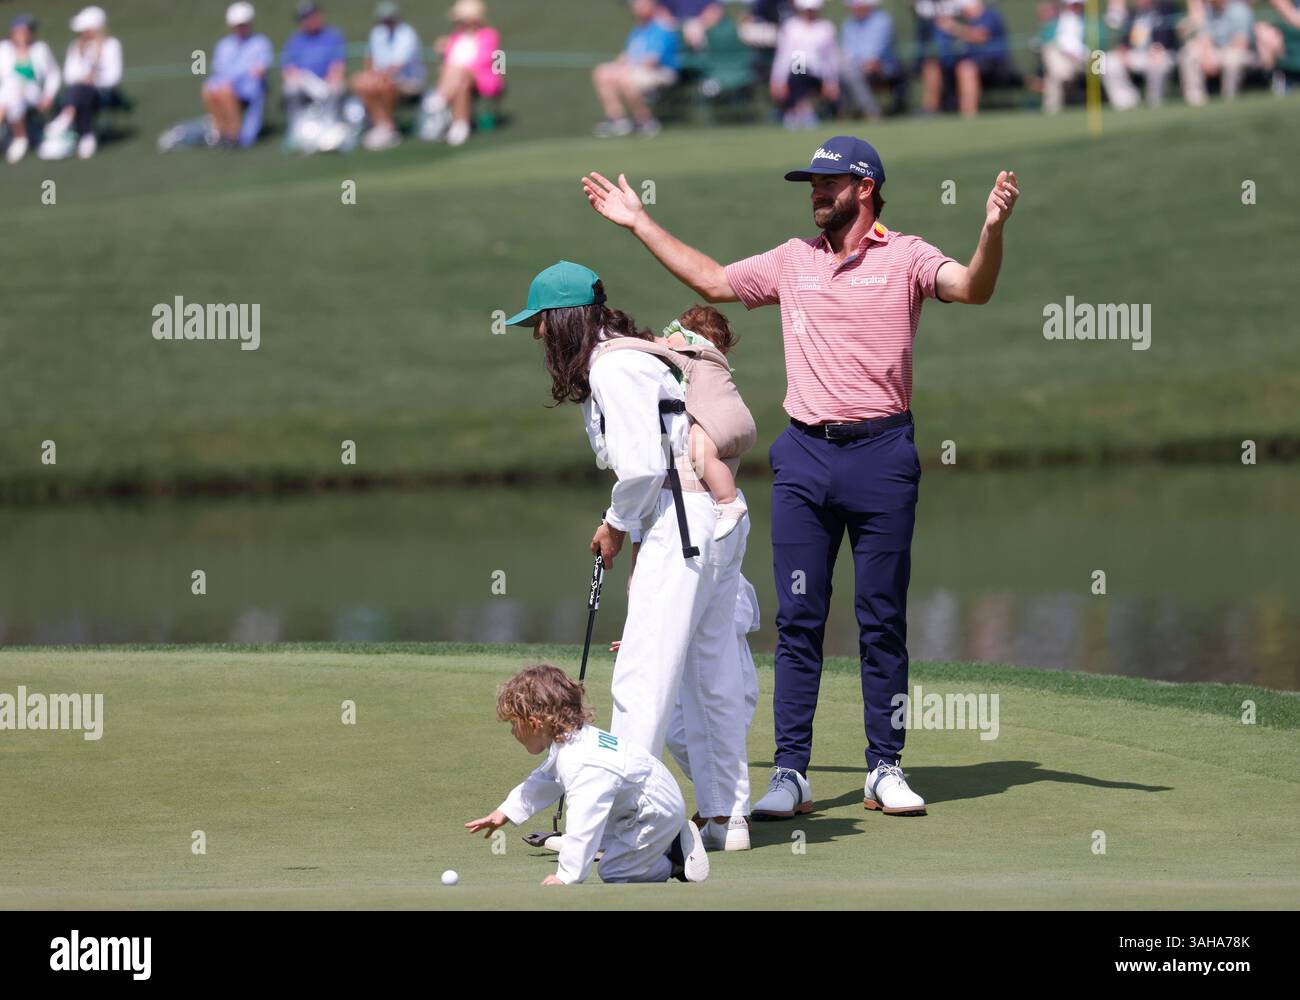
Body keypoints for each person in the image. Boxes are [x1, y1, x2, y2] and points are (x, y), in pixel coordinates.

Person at [582, 138, 1019, 820]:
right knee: (799, 621)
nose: (816, 192)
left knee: (881, 619)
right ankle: (790, 772)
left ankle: (884, 768)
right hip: (805, 460)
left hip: (882, 454)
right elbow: (713, 282)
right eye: (810, 183)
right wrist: (640, 222)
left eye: (828, 182)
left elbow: (973, 287)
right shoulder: (793, 260)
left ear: (865, 187)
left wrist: (991, 229)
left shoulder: (904, 255)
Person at [505, 260, 755, 841]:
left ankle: (627, 822)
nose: (539, 336)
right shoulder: (636, 355)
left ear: (565, 318)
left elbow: (643, 468)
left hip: (683, 523)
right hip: (715, 519)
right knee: (708, 674)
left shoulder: (615, 369)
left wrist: (614, 524)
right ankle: (725, 817)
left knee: (640, 681)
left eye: (541, 322)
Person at [465, 663, 709, 884]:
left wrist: (567, 876)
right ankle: (666, 843)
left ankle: (675, 861)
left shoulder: (582, 762)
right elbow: (544, 780)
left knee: (614, 870)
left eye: (513, 724)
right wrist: (505, 812)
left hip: (654, 812)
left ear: (534, 723)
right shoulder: (571, 742)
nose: (512, 732)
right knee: (602, 846)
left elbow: (584, 821)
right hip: (640, 803)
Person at [658, 305, 755, 540]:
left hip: (715, 419)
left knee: (700, 454)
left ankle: (728, 501)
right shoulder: (716, 360)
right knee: (720, 459)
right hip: (743, 423)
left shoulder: (686, 339)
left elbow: (664, 345)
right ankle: (722, 495)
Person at [422, 0, 503, 147]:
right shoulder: (455, 37)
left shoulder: (489, 35)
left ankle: (440, 99)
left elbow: (493, 61)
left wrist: (460, 68)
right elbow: (448, 61)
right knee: (461, 84)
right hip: (459, 80)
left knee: (459, 72)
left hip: (483, 79)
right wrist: (443, 51)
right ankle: (460, 125)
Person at [592, 0, 678, 138]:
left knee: (627, 77)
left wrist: (625, 69)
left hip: (661, 72)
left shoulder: (662, 28)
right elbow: (627, 55)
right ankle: (616, 119)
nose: (636, 8)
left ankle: (645, 121)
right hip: (636, 70)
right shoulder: (638, 30)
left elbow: (651, 61)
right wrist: (616, 67)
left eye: (640, 4)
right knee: (602, 72)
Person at [352, 2, 425, 151]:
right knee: (361, 82)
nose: (386, 22)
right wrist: (369, 75)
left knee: (384, 84)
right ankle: (381, 125)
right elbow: (369, 58)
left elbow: (397, 66)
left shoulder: (407, 34)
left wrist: (378, 78)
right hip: (381, 78)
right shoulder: (377, 33)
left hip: (408, 81)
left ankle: (388, 127)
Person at [201, 3, 273, 149]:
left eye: (243, 24)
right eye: (237, 25)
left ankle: (234, 134)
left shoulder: (260, 43)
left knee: (225, 90)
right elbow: (219, 71)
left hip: (249, 88)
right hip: (225, 86)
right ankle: (221, 132)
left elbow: (260, 70)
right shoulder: (224, 45)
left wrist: (233, 81)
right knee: (209, 89)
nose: (240, 28)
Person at [935, 0, 1015, 118]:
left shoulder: (990, 16)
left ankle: (968, 114)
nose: (963, 11)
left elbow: (979, 36)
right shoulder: (966, 21)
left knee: (966, 68)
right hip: (972, 64)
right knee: (952, 66)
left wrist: (953, 27)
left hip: (996, 65)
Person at [0, 14, 60, 165]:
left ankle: (20, 137)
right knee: (8, 95)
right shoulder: (3, 49)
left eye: (28, 31)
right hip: (7, 93)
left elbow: (54, 74)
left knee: (13, 94)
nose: (26, 34)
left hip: (31, 92)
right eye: (23, 31)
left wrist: (48, 96)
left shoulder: (40, 49)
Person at [770, 0, 840, 129]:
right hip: (795, 74)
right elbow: (783, 56)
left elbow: (831, 58)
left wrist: (832, 81)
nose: (809, 13)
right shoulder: (791, 27)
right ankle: (803, 110)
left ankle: (797, 111)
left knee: (800, 64)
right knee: (799, 62)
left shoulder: (826, 27)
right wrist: (777, 80)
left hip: (819, 74)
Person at [1102, 0, 1178, 110]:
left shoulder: (1165, 8)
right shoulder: (1132, 14)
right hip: (1135, 54)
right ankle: (1126, 101)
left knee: (1161, 62)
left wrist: (1159, 47)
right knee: (1107, 61)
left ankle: (1155, 101)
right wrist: (1123, 50)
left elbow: (1169, 35)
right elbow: (1124, 39)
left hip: (1159, 53)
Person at [1179, 0, 1257, 104]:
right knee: (1189, 53)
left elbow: (1241, 43)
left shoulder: (1240, 10)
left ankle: (1229, 97)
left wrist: (1217, 56)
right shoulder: (1208, 10)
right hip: (1217, 52)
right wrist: (1207, 56)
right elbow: (1205, 36)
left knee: (1232, 58)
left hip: (1240, 52)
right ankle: (1195, 99)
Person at [280, 1, 347, 122]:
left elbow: (337, 67)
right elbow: (288, 69)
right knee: (291, 88)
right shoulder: (295, 40)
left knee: (336, 87)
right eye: (305, 17)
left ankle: (331, 123)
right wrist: (304, 80)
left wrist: (328, 81)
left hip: (326, 81)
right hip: (304, 82)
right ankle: (296, 126)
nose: (309, 20)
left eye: (312, 16)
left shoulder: (333, 36)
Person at [840, 0, 907, 119]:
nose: (856, 8)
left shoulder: (882, 21)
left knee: (851, 73)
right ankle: (843, 112)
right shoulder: (849, 24)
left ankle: (871, 112)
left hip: (884, 67)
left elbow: (874, 57)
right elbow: (848, 53)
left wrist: (860, 64)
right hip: (857, 68)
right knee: (845, 72)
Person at [1042, 0, 1094, 114]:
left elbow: (1095, 46)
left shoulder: (1089, 21)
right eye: (1072, 5)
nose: (1074, 8)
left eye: (1077, 5)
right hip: (1064, 59)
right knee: (1055, 71)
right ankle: (1052, 109)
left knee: (1103, 66)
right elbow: (1055, 42)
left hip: (1086, 58)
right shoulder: (1058, 21)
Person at [656, 0, 725, 50]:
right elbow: (661, 11)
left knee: (693, 26)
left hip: (701, 26)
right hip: (675, 27)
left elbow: (715, 10)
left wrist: (698, 23)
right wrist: (681, 25)